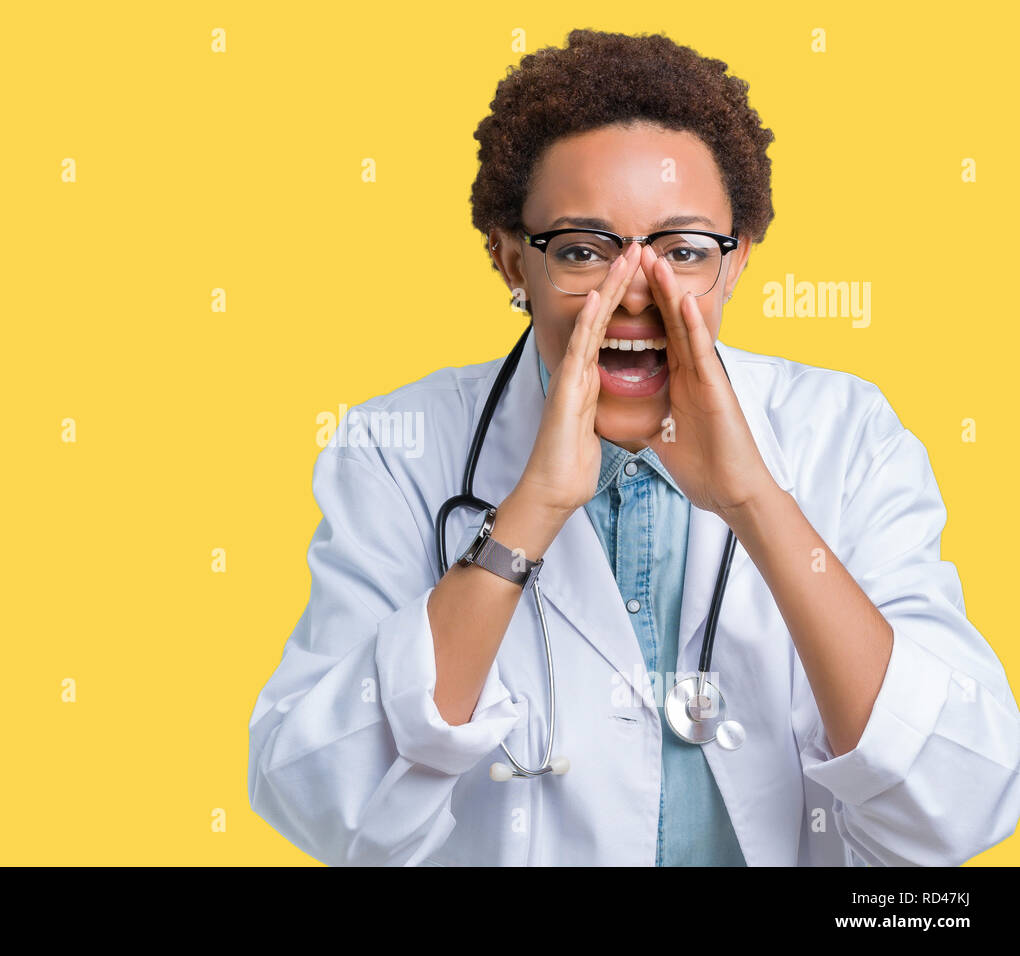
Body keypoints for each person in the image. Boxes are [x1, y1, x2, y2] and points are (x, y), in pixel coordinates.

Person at [247, 28, 1020, 865]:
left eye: (683, 252)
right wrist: (529, 512)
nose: (634, 295)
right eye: (584, 251)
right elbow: (321, 800)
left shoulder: (848, 433)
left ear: (737, 262)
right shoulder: (396, 449)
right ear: (512, 259)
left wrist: (755, 502)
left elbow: (960, 803)